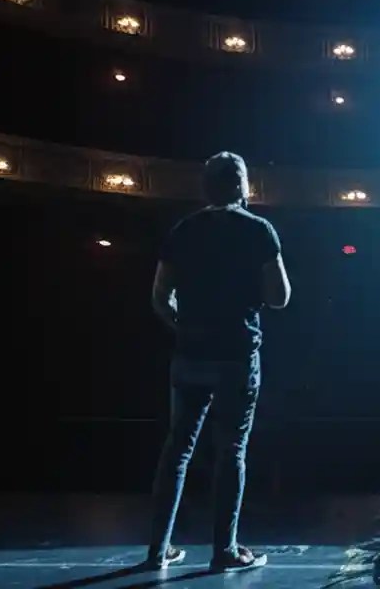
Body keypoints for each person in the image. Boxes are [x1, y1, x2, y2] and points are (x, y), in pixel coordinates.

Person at [145, 151, 290, 572]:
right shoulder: (259, 230)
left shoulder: (183, 230)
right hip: (237, 357)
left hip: (189, 356)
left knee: (177, 451)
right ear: (242, 186)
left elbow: (159, 297)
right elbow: (279, 298)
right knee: (232, 452)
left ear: (206, 187)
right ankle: (224, 550)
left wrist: (186, 328)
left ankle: (157, 552)